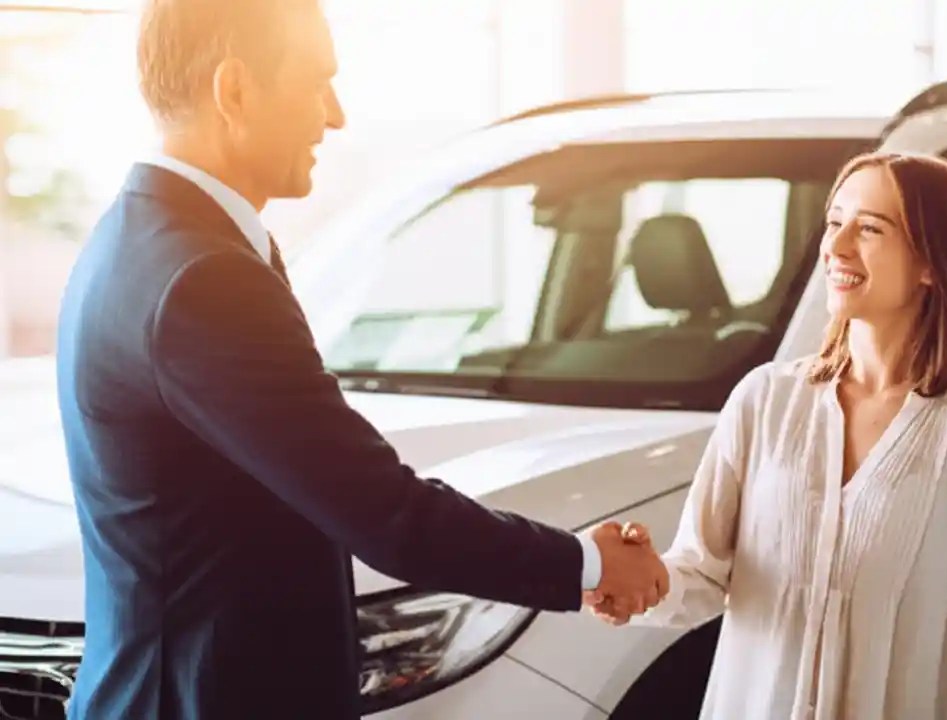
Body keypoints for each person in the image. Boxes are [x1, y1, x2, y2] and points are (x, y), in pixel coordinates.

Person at [55, 1, 665, 718]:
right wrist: (585, 564)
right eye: (317, 83)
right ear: (236, 92)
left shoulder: (141, 240)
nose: (335, 116)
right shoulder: (201, 276)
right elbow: (386, 513)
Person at [587, 151, 947, 719]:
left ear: (932, 264)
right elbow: (700, 573)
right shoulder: (766, 399)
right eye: (834, 222)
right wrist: (636, 581)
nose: (837, 246)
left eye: (870, 228)